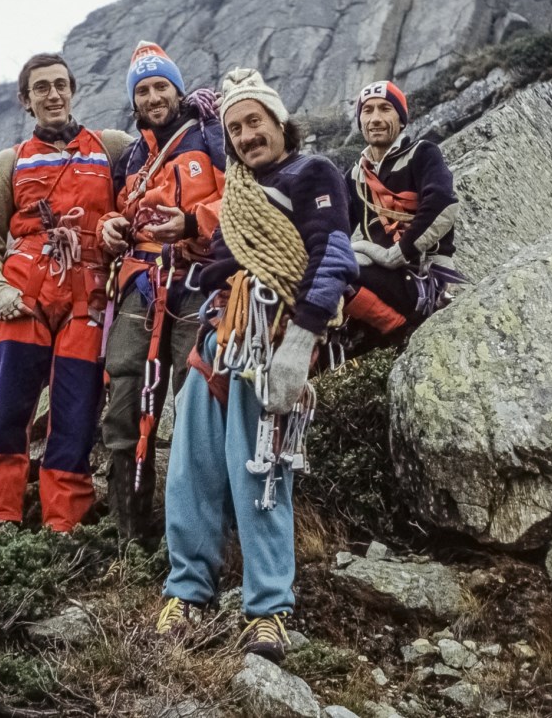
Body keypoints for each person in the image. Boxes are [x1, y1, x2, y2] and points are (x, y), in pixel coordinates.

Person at [155, 68, 358, 662]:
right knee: (190, 468)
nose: (245, 136)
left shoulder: (314, 174)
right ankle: (187, 592)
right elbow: (219, 266)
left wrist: (301, 342)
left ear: (280, 123)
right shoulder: (238, 193)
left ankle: (268, 610)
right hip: (219, 337)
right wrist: (190, 261)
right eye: (235, 128)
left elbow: (334, 254)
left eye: (255, 122)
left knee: (261, 470)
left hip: (271, 338)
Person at [0, 53, 132, 532]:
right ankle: (1, 518)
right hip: (22, 300)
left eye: (60, 84)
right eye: (41, 87)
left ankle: (63, 523)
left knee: (76, 415)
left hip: (89, 300)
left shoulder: (112, 147)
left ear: (73, 89)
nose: (53, 94)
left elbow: (156, 163)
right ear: (26, 100)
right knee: (8, 413)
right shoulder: (10, 161)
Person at [97, 41, 226, 546]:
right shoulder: (130, 157)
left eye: (160, 86)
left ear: (177, 89)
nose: (153, 96)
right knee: (125, 391)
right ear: (134, 101)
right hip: (142, 283)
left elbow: (241, 201)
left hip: (196, 277)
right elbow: (119, 214)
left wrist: (193, 221)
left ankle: (195, 535)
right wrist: (111, 227)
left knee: (193, 394)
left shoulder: (212, 138)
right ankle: (129, 535)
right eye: (143, 89)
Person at [343, 79, 463, 352]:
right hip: (384, 277)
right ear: (360, 120)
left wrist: (400, 251)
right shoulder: (354, 175)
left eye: (385, 109)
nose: (375, 118)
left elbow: (443, 203)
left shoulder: (422, 153)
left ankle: (398, 329)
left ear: (401, 118)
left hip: (425, 274)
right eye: (368, 110)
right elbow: (339, 226)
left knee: (342, 267)